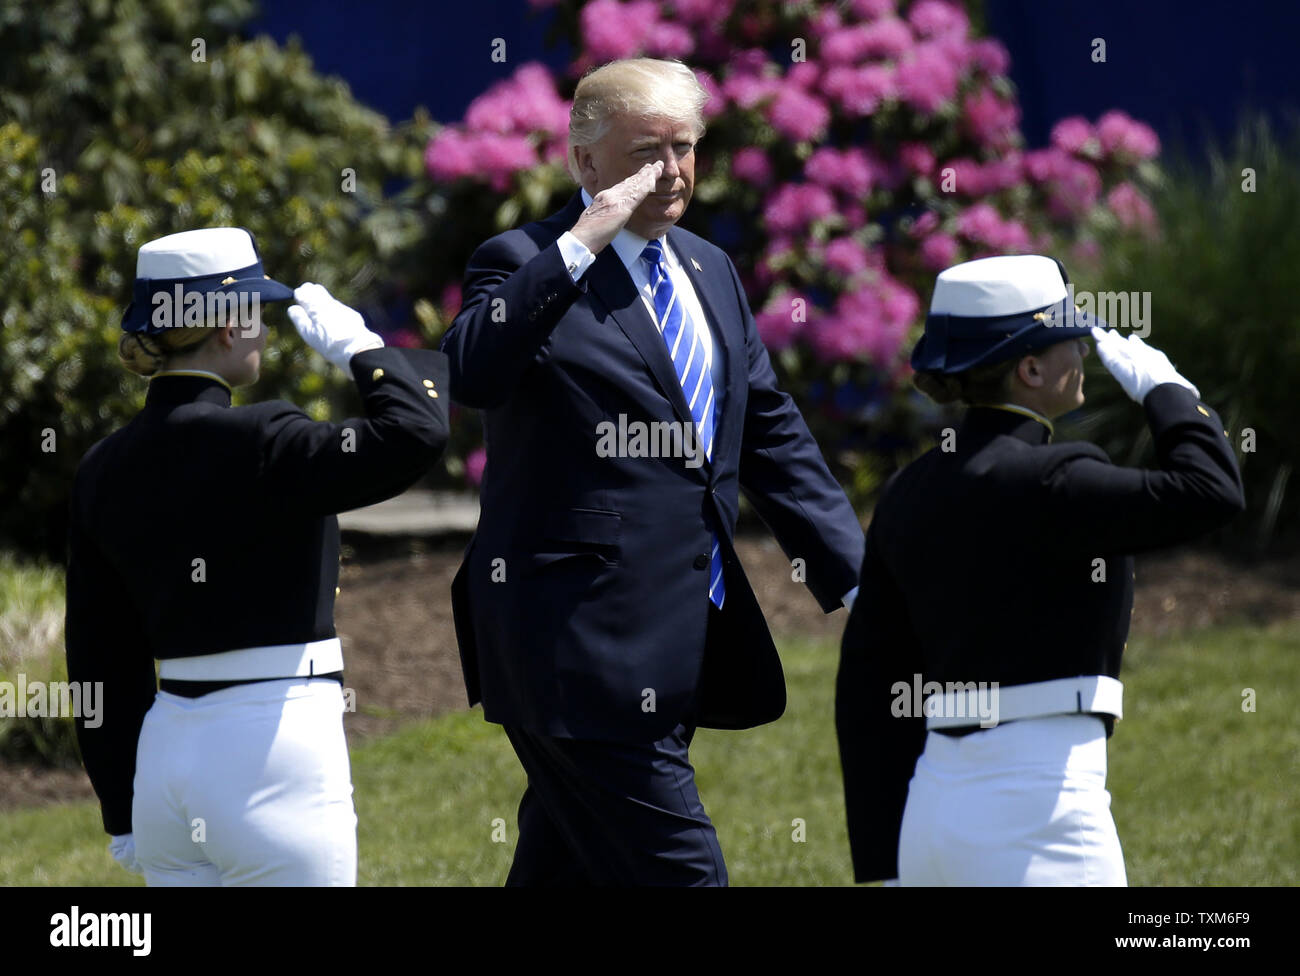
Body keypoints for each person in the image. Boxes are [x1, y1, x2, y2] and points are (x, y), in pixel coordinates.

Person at [441, 58, 865, 886]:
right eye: (645, 152)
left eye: (685, 147)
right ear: (584, 162)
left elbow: (770, 431)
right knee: (681, 872)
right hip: (575, 644)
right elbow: (473, 373)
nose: (670, 172)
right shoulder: (520, 260)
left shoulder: (707, 267)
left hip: (677, 634)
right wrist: (581, 243)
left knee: (565, 863)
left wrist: (857, 580)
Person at [835, 254, 1245, 886]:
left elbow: (869, 686)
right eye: (1066, 341)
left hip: (930, 814)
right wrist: (1170, 395)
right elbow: (1212, 490)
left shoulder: (908, 492)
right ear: (1030, 369)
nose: (1081, 352)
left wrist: (881, 867)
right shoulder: (1058, 479)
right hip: (1040, 812)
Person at [65, 226, 450, 885]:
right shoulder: (266, 436)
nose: (266, 332)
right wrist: (364, 349)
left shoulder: (102, 467)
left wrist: (122, 808)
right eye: (258, 314)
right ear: (229, 326)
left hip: (164, 758)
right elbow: (415, 432)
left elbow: (99, 657)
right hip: (273, 747)